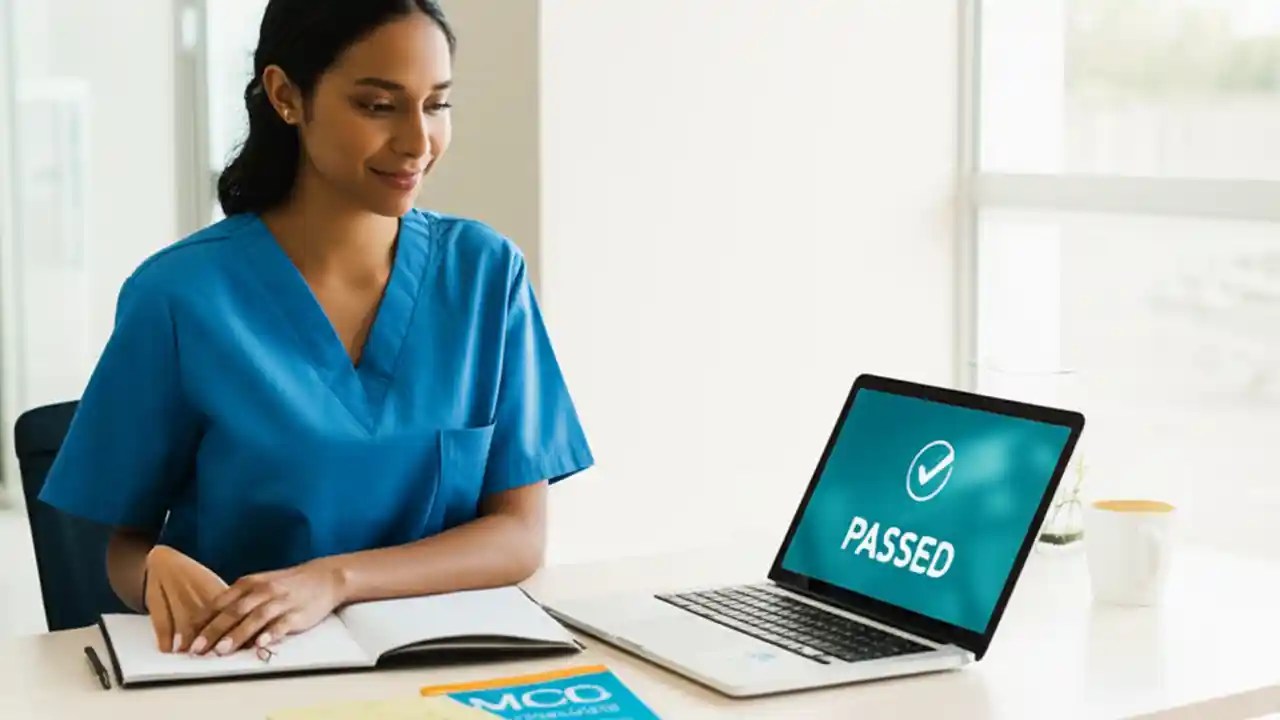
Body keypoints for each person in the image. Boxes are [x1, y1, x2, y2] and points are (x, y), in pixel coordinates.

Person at [38, 0, 592, 658]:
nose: (418, 141)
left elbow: (518, 536)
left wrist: (334, 580)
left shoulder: (484, 274)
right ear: (286, 96)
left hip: (443, 663)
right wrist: (155, 569)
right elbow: (122, 548)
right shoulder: (177, 297)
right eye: (378, 105)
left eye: (437, 104)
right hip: (250, 667)